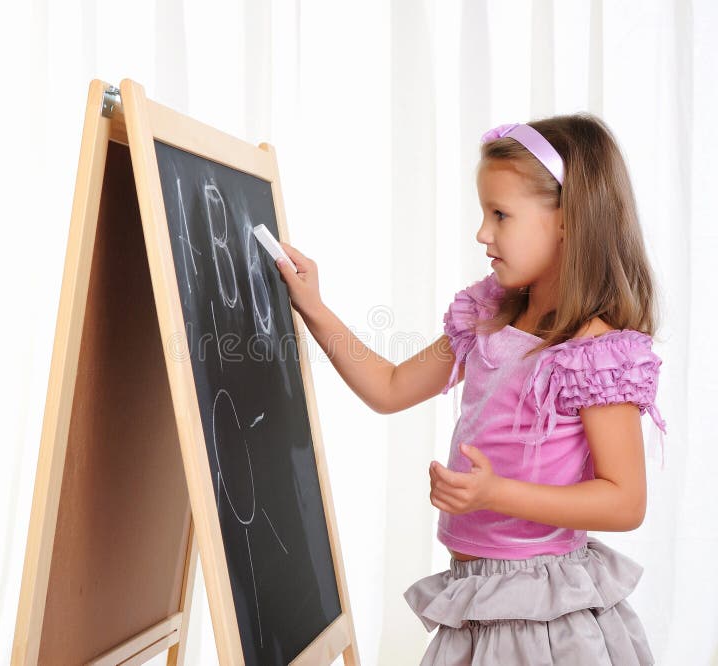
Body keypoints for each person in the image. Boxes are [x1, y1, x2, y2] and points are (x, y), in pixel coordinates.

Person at [273, 113, 666, 665]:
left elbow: (626, 501)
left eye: (500, 215)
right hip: (477, 602)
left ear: (568, 221)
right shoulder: (488, 316)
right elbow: (389, 387)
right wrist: (313, 307)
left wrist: (492, 493)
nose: (483, 234)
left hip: (542, 619)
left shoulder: (593, 353)